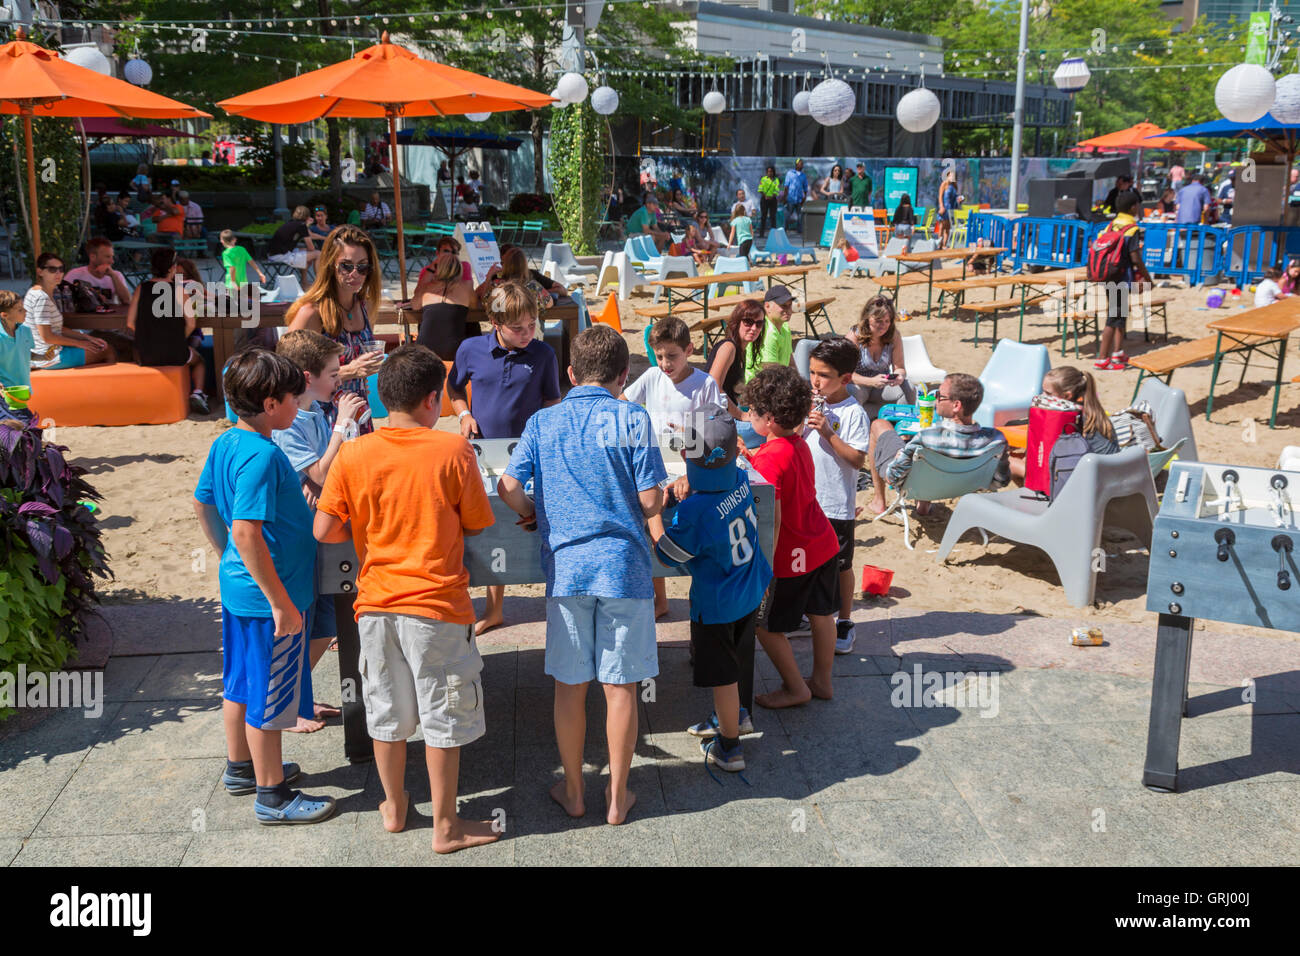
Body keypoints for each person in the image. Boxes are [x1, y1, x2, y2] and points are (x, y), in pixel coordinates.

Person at [313, 345, 500, 853]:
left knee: (387, 713)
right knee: (443, 715)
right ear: (432, 400)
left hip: (375, 604)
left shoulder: (354, 454)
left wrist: (369, 522)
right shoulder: (452, 451)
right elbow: (481, 521)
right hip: (436, 605)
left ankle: (394, 807)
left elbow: (325, 528)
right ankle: (446, 826)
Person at [497, 324, 667, 825]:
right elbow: (650, 499)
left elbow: (508, 484)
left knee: (570, 686)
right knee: (621, 688)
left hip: (567, 569)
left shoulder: (543, 422)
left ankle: (574, 791)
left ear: (570, 372)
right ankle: (617, 796)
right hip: (623, 568)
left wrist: (531, 511)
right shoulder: (631, 418)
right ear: (622, 375)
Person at [193, 348, 336, 825]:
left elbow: (204, 503)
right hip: (272, 600)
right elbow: (246, 532)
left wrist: (225, 560)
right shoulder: (262, 455)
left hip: (240, 591)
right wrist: (280, 602)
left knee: (238, 684)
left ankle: (241, 769)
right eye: (294, 399)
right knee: (270, 699)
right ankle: (271, 795)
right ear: (272, 403)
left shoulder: (227, 441)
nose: (299, 407)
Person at [653, 405, 772, 772]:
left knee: (721, 674)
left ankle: (730, 746)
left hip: (717, 603)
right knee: (737, 656)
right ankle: (736, 715)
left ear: (687, 458)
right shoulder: (738, 477)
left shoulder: (694, 513)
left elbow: (668, 555)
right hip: (750, 588)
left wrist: (654, 517)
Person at [447, 280, 560, 635]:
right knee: (489, 527)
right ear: (495, 323)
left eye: (532, 325)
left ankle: (557, 601)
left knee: (535, 522)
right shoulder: (470, 349)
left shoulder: (543, 354)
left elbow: (551, 403)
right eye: (518, 328)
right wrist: (464, 413)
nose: (528, 333)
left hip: (528, 452)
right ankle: (493, 608)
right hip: (484, 451)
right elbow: (453, 388)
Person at [269, 329, 364, 732]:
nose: (339, 378)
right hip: (296, 544)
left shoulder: (309, 415)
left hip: (318, 539)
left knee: (325, 625)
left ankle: (296, 696)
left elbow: (328, 475)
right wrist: (343, 425)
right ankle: (282, 704)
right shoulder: (293, 423)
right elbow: (322, 472)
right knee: (299, 625)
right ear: (306, 377)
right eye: (331, 372)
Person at [740, 365, 839, 709]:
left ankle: (795, 687)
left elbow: (773, 516)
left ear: (768, 418)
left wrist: (764, 567)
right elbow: (785, 480)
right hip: (822, 543)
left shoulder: (770, 458)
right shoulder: (797, 445)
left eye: (751, 411)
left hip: (791, 556)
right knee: (821, 615)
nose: (747, 415)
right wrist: (751, 457)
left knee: (765, 626)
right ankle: (822, 681)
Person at [622, 315, 726, 619]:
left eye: (672, 356)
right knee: (650, 530)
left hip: (688, 470)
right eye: (660, 355)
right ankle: (660, 599)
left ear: (689, 349)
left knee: (691, 535)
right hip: (654, 468)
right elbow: (622, 401)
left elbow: (715, 432)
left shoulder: (703, 384)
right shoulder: (653, 376)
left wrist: (687, 473)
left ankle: (699, 598)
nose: (665, 362)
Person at [804, 337, 871, 655]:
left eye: (823, 375)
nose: (815, 381)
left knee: (841, 565)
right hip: (808, 499)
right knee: (807, 560)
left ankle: (844, 621)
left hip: (835, 503)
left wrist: (827, 432)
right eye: (812, 372)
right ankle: (811, 616)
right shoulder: (812, 402)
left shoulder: (853, 412)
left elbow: (858, 459)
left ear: (845, 379)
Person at [286, 225, 385, 433]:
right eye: (346, 266)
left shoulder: (363, 306)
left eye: (363, 267)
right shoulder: (312, 312)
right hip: (322, 419)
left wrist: (359, 378)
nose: (355, 273)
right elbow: (287, 374)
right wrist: (349, 372)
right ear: (331, 265)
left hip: (357, 413)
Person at [869, 373, 1010, 517]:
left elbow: (893, 477)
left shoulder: (928, 438)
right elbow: (1000, 480)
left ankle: (879, 501)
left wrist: (899, 456)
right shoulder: (996, 439)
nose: (936, 399)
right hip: (963, 487)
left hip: (919, 485)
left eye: (940, 396)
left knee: (879, 425)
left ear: (956, 405)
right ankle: (923, 504)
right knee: (924, 456)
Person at [126, 247, 208, 413]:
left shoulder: (141, 288)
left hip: (145, 354)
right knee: (199, 361)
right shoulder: (179, 291)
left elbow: (130, 323)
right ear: (171, 268)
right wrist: (177, 339)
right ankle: (198, 393)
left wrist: (148, 336)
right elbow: (191, 324)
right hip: (175, 353)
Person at [1008, 367, 1118, 481]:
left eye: (1048, 393)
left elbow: (1050, 460)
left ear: (1067, 396)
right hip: (1105, 479)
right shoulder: (1093, 412)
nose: (1042, 396)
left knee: (1009, 462)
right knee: (1022, 459)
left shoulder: (1070, 420)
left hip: (1086, 484)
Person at [25, 252, 114, 371]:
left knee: (98, 344)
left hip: (45, 353)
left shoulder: (38, 292)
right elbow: (47, 337)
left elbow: (56, 329)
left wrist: (86, 338)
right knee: (108, 350)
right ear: (40, 271)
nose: (58, 273)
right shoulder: (42, 298)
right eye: (52, 269)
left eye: (61, 269)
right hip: (48, 357)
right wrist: (79, 343)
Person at [1094, 191, 1151, 371]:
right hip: (1121, 278)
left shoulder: (1110, 226)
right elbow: (1135, 258)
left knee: (1120, 314)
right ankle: (1102, 359)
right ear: (1133, 207)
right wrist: (1147, 277)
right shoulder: (1132, 229)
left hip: (1108, 275)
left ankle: (1117, 352)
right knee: (1114, 317)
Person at [848, 294, 915, 416]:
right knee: (852, 391)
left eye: (887, 321)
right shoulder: (854, 336)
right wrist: (871, 381)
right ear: (867, 317)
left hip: (882, 385)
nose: (883, 325)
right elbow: (846, 374)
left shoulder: (894, 336)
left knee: (909, 387)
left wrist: (899, 376)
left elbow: (899, 367)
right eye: (878, 320)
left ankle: (902, 428)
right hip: (858, 385)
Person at [415, 252, 480, 362]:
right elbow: (475, 306)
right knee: (473, 327)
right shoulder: (466, 288)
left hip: (424, 349)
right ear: (460, 269)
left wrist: (430, 270)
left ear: (438, 269)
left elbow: (414, 306)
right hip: (453, 349)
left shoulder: (427, 288)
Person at [707, 299, 765, 420]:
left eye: (759, 324)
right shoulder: (728, 348)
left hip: (722, 413)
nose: (754, 328)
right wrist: (741, 415)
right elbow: (714, 386)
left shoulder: (740, 350)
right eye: (748, 322)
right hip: (713, 418)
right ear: (737, 322)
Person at [745, 285, 795, 382]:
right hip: (758, 389)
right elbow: (771, 373)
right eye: (783, 305)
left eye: (790, 305)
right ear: (767, 306)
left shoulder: (784, 327)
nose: (788, 310)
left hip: (775, 384)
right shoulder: (767, 332)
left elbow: (790, 361)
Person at [66, 237, 131, 305]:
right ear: (92, 257)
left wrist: (113, 276)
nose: (112, 261)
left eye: (112, 257)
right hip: (83, 315)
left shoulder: (116, 275)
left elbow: (127, 301)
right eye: (107, 257)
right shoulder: (74, 275)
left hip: (109, 315)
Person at [268, 206, 320, 283]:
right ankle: (319, 283)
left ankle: (304, 283)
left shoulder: (291, 223)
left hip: (273, 254)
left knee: (306, 255)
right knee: (318, 254)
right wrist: (306, 225)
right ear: (307, 216)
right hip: (282, 256)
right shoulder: (301, 225)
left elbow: (308, 235)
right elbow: (311, 248)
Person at [0, 290, 34, 392]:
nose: (25, 311)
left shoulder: (26, 330)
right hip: (5, 391)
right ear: (4, 315)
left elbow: (25, 353)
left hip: (23, 388)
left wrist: (44, 356)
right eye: (20, 310)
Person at [782, 159, 809, 234]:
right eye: (800, 163)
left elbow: (805, 188)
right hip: (790, 198)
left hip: (799, 199)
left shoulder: (803, 175)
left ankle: (800, 231)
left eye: (802, 164)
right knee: (788, 215)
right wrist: (785, 197)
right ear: (796, 164)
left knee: (800, 216)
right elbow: (786, 186)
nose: (801, 165)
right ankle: (784, 230)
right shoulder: (790, 173)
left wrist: (804, 197)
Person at [936, 170, 959, 248]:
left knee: (947, 228)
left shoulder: (954, 186)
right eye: (950, 175)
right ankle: (939, 244)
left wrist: (959, 199)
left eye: (953, 176)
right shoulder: (944, 184)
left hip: (951, 209)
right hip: (944, 208)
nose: (952, 177)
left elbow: (955, 198)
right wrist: (941, 206)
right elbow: (940, 196)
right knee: (941, 227)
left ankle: (944, 245)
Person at [758, 165, 781, 237]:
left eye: (771, 171)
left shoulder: (776, 180)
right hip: (764, 199)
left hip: (773, 200)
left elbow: (777, 190)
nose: (769, 173)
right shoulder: (763, 179)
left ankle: (774, 234)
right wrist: (765, 195)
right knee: (763, 216)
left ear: (773, 172)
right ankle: (761, 234)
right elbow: (760, 189)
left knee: (773, 217)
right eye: (768, 171)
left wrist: (772, 196)